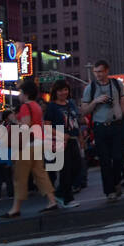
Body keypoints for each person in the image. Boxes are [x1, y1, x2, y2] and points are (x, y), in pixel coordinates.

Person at [0, 80, 60, 218]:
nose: (19, 95)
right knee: (40, 173)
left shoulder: (25, 106)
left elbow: (25, 126)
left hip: (27, 145)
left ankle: (15, 208)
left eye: (20, 92)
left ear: (25, 93)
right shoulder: (36, 106)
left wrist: (14, 120)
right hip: (38, 142)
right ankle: (52, 201)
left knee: (20, 176)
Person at [83, 60, 124, 202]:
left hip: (117, 124)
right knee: (104, 160)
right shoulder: (90, 88)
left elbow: (123, 104)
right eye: (95, 72)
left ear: (107, 71)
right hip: (100, 127)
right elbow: (84, 110)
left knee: (119, 157)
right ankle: (109, 191)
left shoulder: (117, 84)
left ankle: (116, 182)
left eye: (100, 71)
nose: (98, 75)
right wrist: (95, 101)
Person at [43, 79, 83, 207]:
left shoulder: (71, 103)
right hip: (60, 141)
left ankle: (60, 193)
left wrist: (80, 137)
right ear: (55, 92)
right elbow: (47, 127)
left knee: (77, 168)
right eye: (60, 90)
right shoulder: (52, 107)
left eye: (65, 89)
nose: (63, 92)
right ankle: (67, 198)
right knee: (66, 169)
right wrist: (61, 135)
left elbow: (75, 121)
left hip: (72, 139)